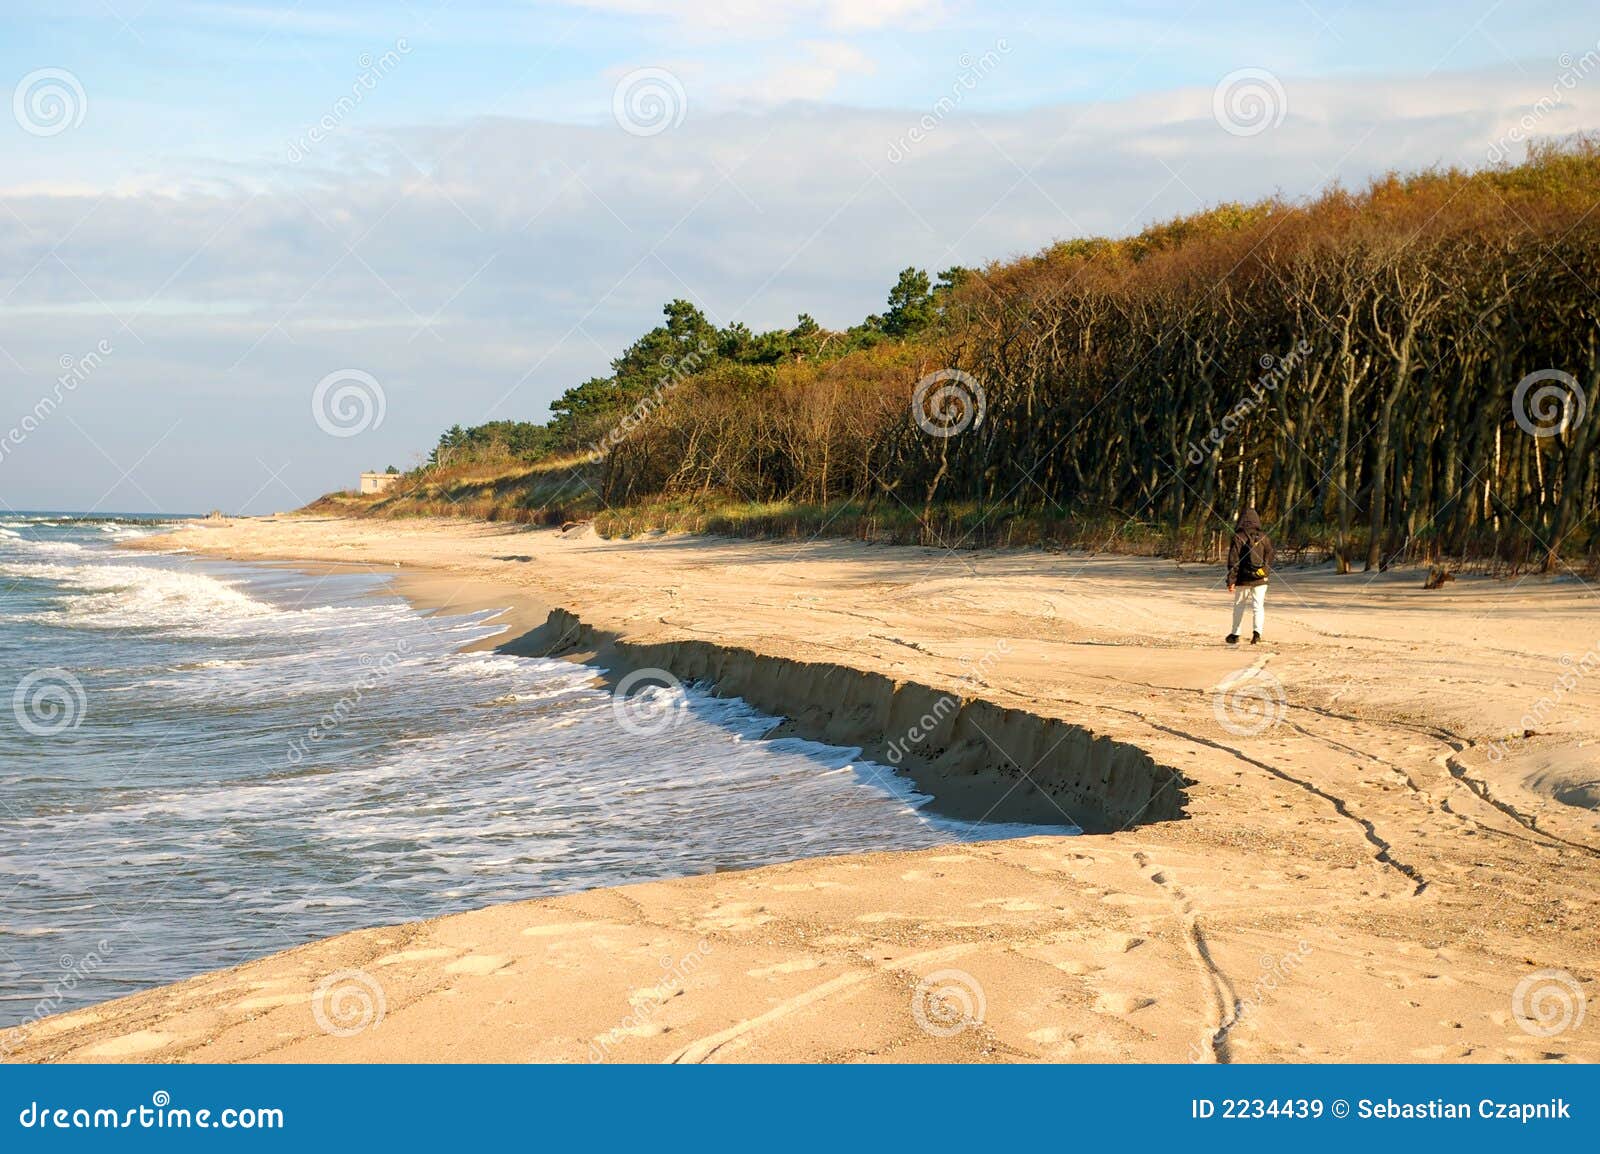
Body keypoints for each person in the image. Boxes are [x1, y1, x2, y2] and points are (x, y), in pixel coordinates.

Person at [1225, 507, 1274, 645]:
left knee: (1239, 606)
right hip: (1261, 578)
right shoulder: (1264, 537)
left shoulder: (1238, 537)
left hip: (1243, 579)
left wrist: (1231, 580)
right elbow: (1270, 555)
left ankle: (1235, 634)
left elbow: (1233, 561)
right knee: (1258, 606)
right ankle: (1257, 634)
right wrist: (1264, 572)